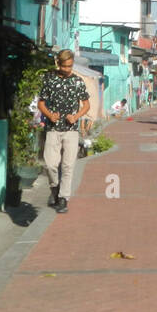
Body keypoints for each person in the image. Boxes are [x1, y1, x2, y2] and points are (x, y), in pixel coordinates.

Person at [36, 49, 90, 214]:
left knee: (68, 166)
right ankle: (55, 188)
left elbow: (86, 105)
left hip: (71, 131)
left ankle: (64, 199)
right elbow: (41, 104)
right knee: (51, 164)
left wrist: (76, 116)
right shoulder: (49, 80)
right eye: (65, 66)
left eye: (70, 66)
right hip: (53, 129)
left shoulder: (78, 82)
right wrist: (49, 115)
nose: (68, 69)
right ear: (58, 64)